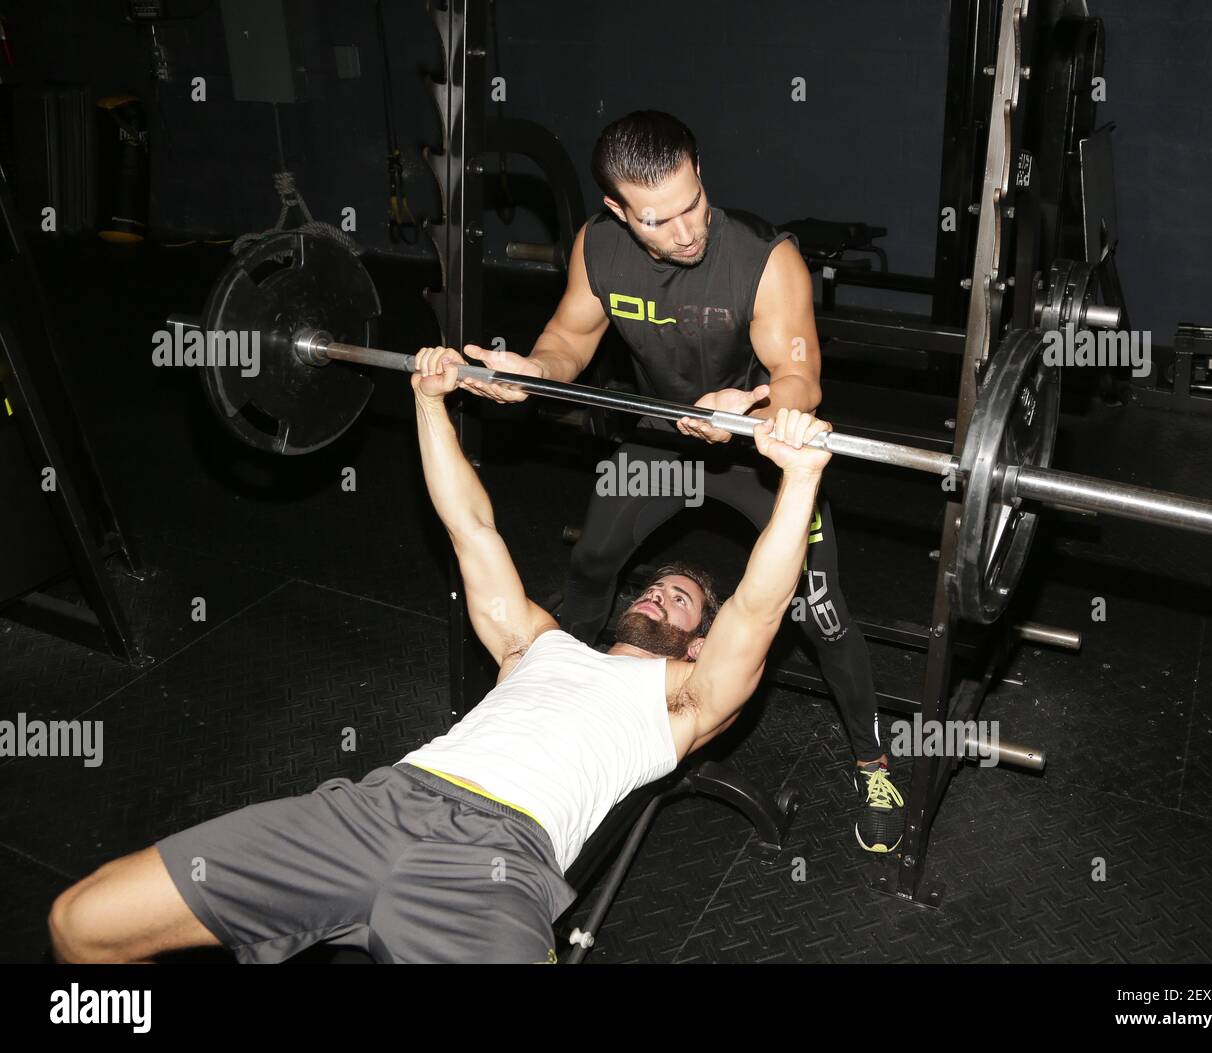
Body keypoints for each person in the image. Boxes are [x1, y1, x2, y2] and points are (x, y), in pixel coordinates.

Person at [47, 346, 836, 965]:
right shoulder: (538, 641)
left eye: (682, 599)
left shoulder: (687, 697)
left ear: (699, 637)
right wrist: (428, 400)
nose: (660, 595)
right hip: (375, 807)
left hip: (495, 865)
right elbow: (472, 529)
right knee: (82, 922)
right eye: (656, 586)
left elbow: (760, 607)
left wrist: (799, 477)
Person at [457, 109, 903, 853]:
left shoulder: (764, 258)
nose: (687, 231)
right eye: (661, 221)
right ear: (619, 211)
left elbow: (800, 374)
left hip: (757, 451)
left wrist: (759, 405)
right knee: (593, 561)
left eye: (694, 204)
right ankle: (561, 705)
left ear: (700, 171)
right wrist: (533, 371)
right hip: (661, 439)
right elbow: (569, 337)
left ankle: (874, 759)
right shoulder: (599, 249)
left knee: (821, 611)